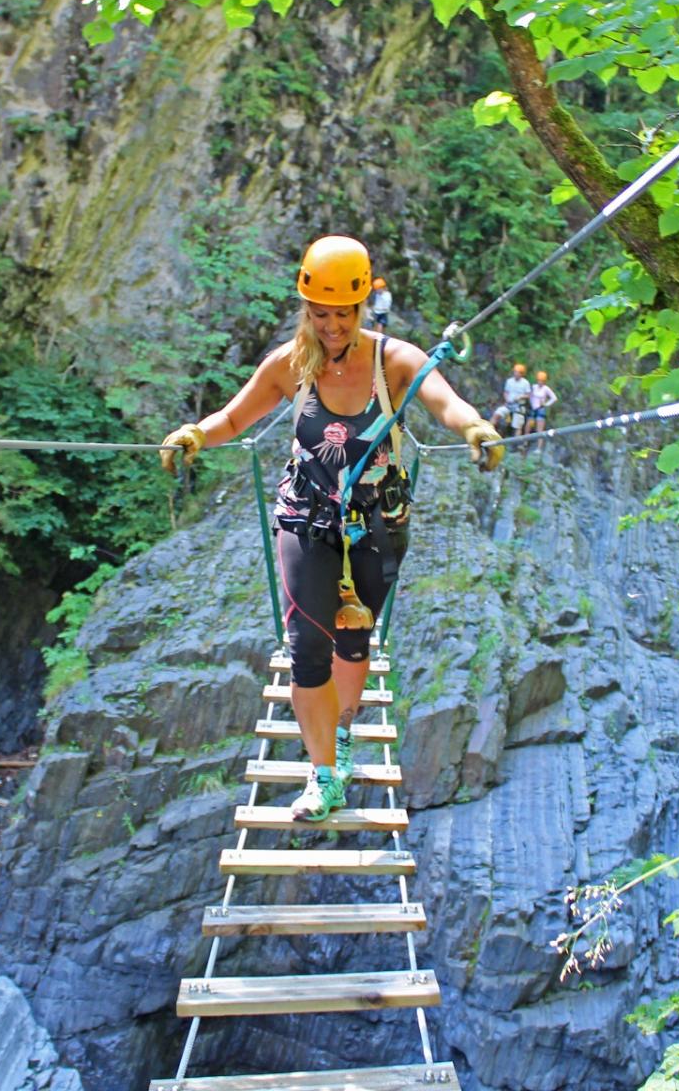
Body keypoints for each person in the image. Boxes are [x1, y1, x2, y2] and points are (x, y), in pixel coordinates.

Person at [161, 235, 504, 820]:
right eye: (320, 314)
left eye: (343, 313)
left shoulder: (394, 361)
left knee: (354, 637)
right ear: (306, 309)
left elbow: (445, 401)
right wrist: (194, 433)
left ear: (361, 307)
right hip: (306, 516)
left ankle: (341, 735)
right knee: (306, 650)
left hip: (377, 523)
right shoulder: (289, 365)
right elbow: (235, 418)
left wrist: (476, 428)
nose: (332, 326)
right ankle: (323, 776)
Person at [489, 362, 533, 435]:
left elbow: (528, 395)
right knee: (497, 414)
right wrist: (507, 399)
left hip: (518, 407)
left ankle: (516, 440)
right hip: (509, 404)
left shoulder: (525, 383)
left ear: (522, 374)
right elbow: (506, 392)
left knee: (517, 425)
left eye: (518, 372)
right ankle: (488, 433)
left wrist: (521, 397)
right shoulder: (509, 381)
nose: (516, 374)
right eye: (515, 372)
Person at [527, 370, 558, 451]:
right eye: (539, 380)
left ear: (544, 381)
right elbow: (530, 396)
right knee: (528, 426)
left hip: (540, 409)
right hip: (533, 409)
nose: (540, 382)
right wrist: (530, 402)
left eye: (542, 381)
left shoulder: (546, 389)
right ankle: (525, 443)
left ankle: (539, 448)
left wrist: (546, 404)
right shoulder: (534, 387)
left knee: (539, 430)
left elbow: (554, 398)